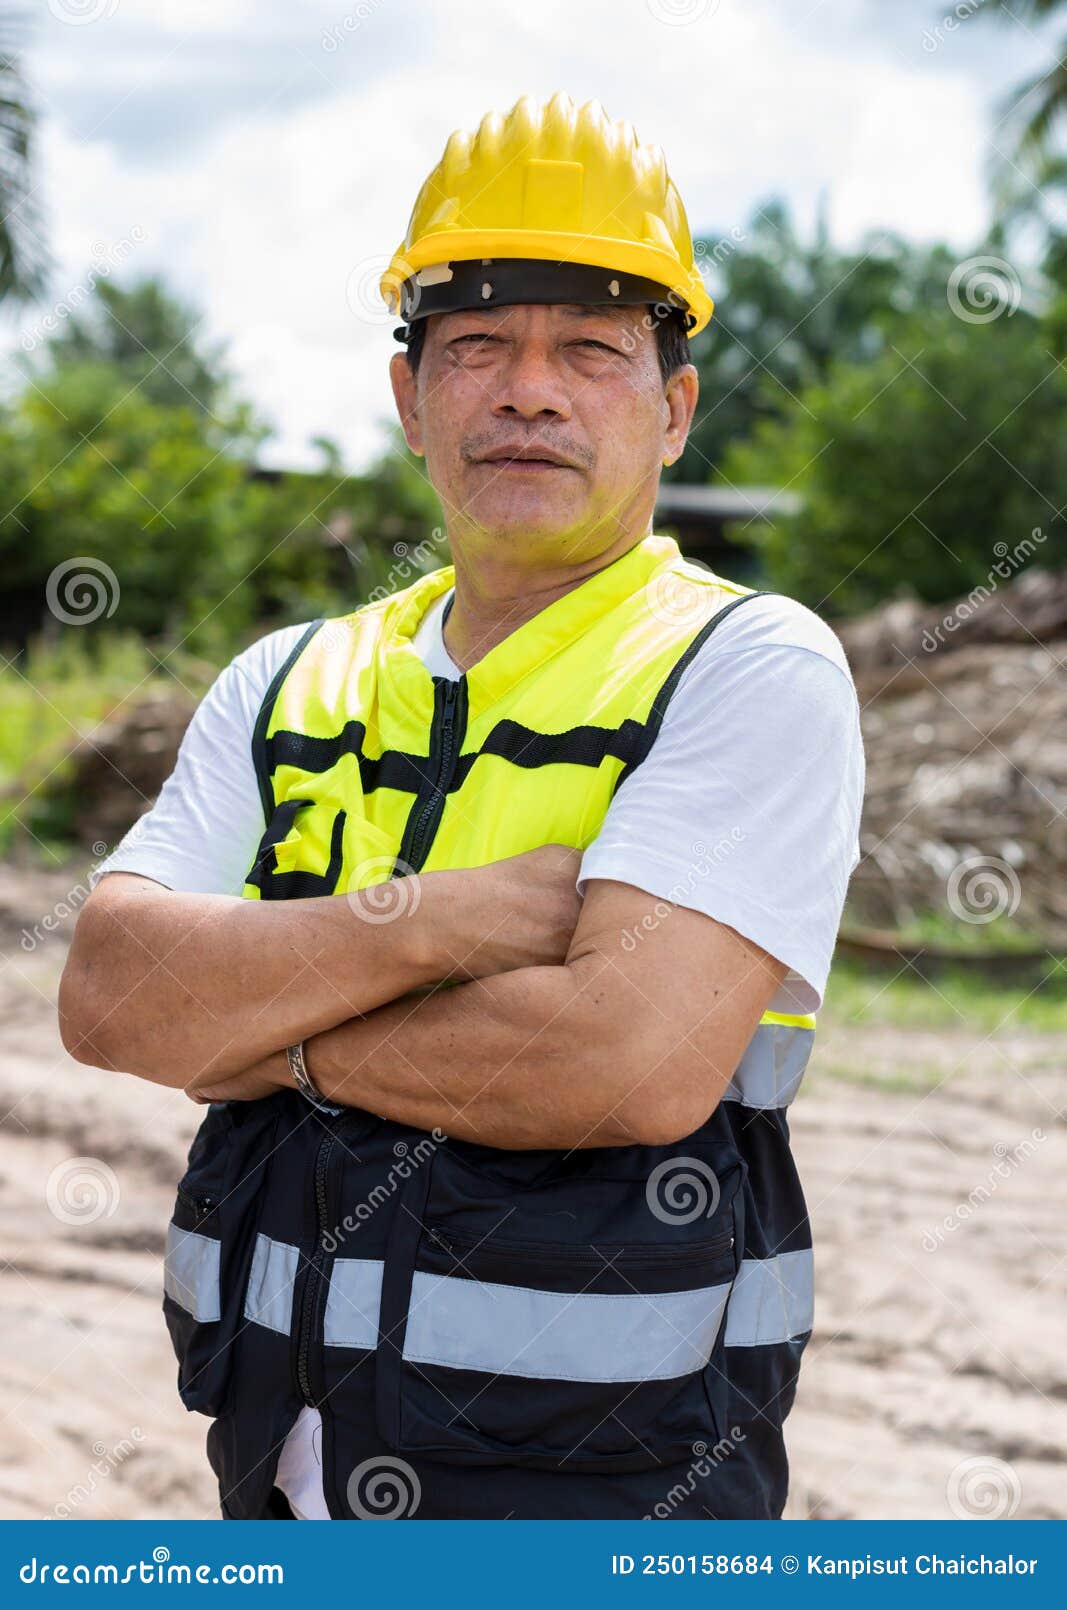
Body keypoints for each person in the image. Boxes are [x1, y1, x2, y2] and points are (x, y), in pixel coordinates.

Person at [60, 91, 864, 1521]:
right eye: (479, 343)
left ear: (674, 408)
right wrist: (451, 922)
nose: (530, 391)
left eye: (593, 353)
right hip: (278, 1471)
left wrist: (260, 1021)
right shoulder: (289, 679)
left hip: (613, 1500)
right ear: (409, 392)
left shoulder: (746, 666)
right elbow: (115, 996)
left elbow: (624, 1061)